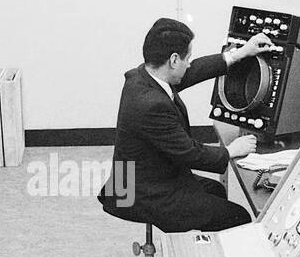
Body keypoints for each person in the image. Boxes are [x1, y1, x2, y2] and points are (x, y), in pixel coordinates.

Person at [97, 16, 277, 233]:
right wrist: (230, 151)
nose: (190, 63)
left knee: (216, 189)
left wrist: (239, 54)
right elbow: (190, 153)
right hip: (139, 193)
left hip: (141, 175)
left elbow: (191, 73)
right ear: (173, 60)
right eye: (187, 58)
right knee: (238, 216)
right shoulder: (150, 105)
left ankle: (210, 254)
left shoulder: (141, 76)